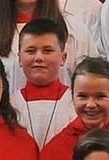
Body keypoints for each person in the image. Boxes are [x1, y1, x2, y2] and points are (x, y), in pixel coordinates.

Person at [11, 19, 74, 147]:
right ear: (19, 59)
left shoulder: (75, 103)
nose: (39, 58)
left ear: (63, 58)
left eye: (47, 51)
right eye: (31, 51)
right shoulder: (10, 105)